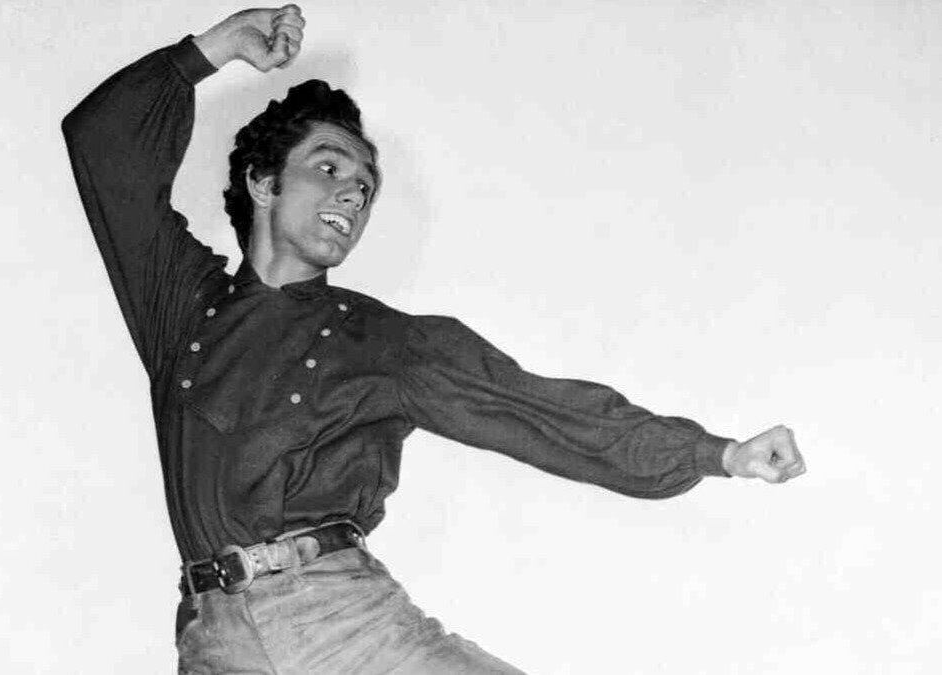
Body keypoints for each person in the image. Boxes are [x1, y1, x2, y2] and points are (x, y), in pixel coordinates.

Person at [62, 5, 806, 673]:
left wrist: (714, 454)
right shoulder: (183, 306)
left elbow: (538, 411)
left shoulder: (383, 341)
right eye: (328, 167)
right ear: (263, 183)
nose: (352, 193)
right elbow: (101, 147)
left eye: (365, 185)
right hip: (214, 643)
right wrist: (214, 48)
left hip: (346, 629)